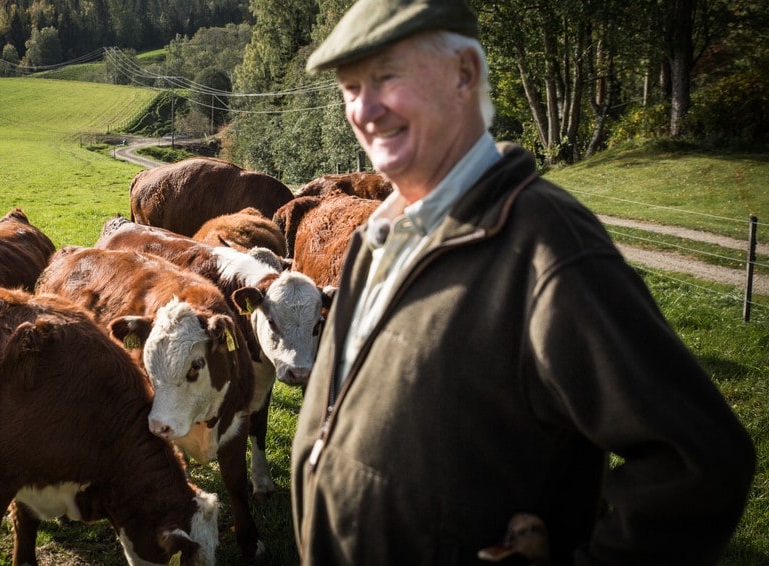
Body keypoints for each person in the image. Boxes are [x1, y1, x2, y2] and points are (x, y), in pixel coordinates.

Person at [289, 0, 756, 564]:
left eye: (387, 76)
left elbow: (701, 462)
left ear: (465, 74)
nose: (364, 109)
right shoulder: (378, 237)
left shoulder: (546, 244)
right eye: (349, 87)